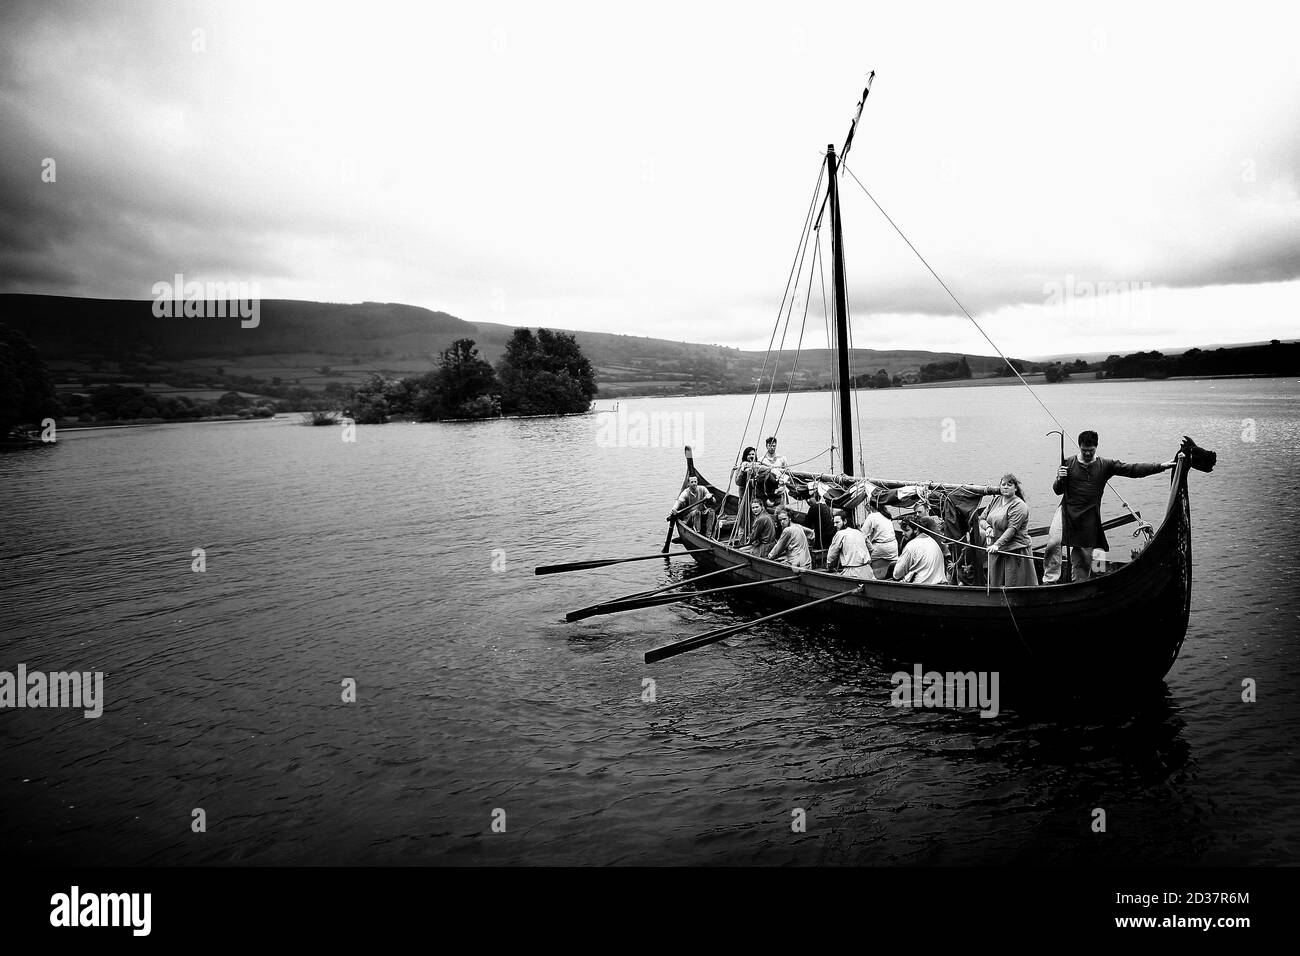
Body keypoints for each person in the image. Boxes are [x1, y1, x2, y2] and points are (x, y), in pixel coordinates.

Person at [1044, 430, 1177, 583]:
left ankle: (1078, 586)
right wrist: (1060, 478)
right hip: (1065, 512)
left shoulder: (1105, 465)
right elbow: (1057, 490)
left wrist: (1160, 466)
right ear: (1079, 447)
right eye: (1084, 450)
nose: (1087, 454)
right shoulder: (1067, 463)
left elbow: (1132, 469)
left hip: (1088, 517)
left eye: (1091, 451)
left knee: (1083, 560)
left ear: (1096, 447)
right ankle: (1049, 581)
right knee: (1054, 543)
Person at [984, 473, 1038, 587]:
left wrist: (997, 545)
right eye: (1003, 484)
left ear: (1015, 488)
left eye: (1009, 484)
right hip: (997, 549)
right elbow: (982, 519)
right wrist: (987, 527)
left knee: (1013, 583)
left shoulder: (1019, 505)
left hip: (1015, 549)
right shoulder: (995, 501)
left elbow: (1012, 529)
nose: (1005, 487)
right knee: (996, 583)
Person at [892, 516, 947, 585]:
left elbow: (897, 574)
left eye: (906, 530)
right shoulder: (932, 541)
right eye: (903, 530)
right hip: (939, 584)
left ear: (916, 530)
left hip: (920, 586)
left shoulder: (912, 545)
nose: (903, 533)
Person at [826, 511, 874, 580]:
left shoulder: (840, 534)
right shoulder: (859, 532)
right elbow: (871, 549)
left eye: (837, 522)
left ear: (845, 521)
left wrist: (829, 566)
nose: (835, 525)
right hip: (868, 570)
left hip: (852, 572)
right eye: (834, 523)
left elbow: (831, 555)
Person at [862, 495, 899, 579]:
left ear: (871, 506)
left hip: (880, 547)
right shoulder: (887, 515)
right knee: (893, 565)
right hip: (893, 547)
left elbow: (863, 534)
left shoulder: (872, 516)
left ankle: (870, 579)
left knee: (863, 560)